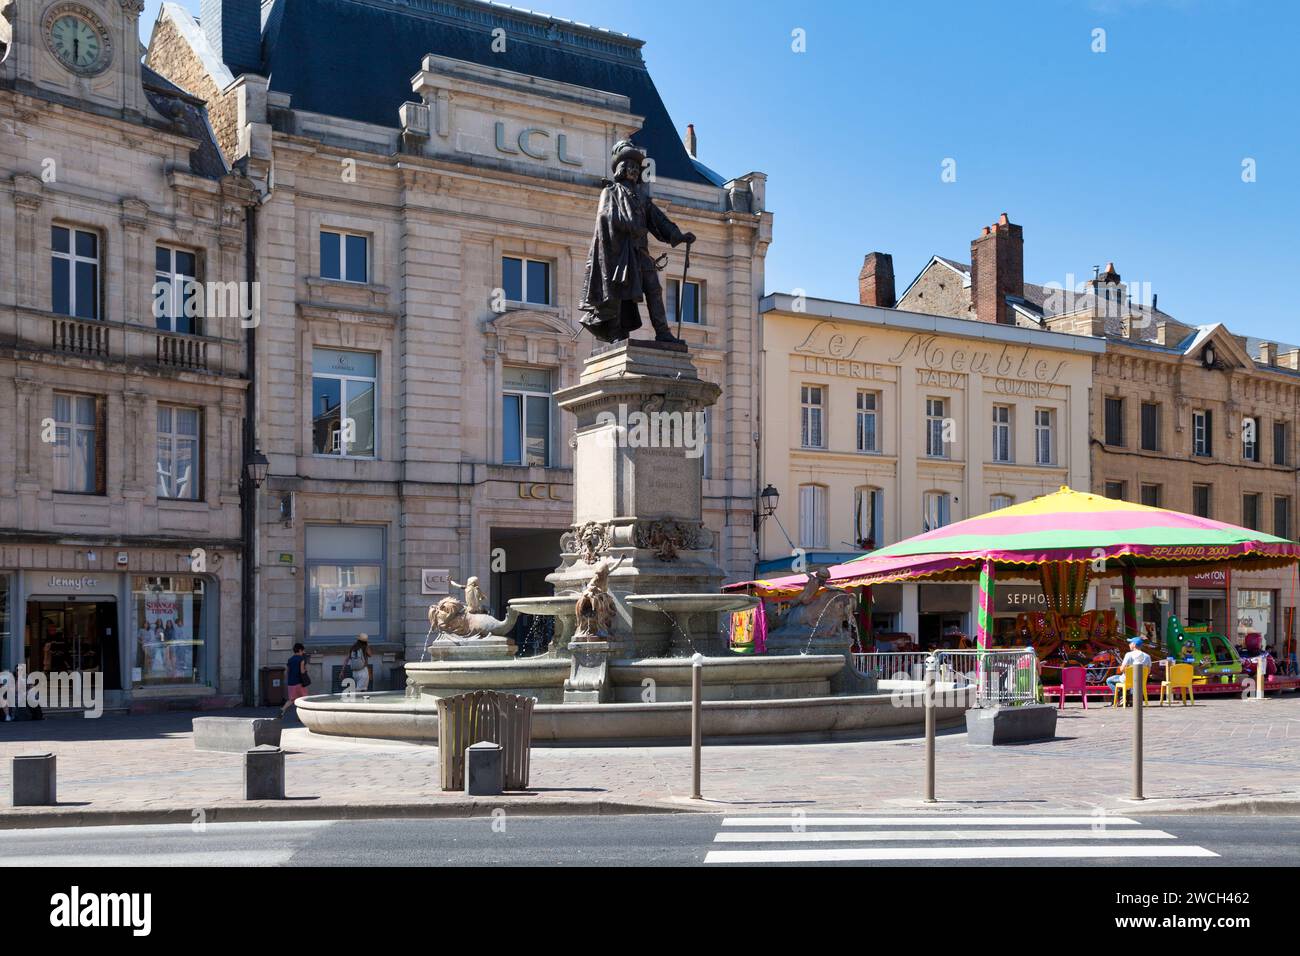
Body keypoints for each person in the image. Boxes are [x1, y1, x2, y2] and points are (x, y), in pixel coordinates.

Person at [579, 140, 696, 344]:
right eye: (629, 165)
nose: (633, 169)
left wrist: (678, 234)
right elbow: (605, 218)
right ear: (621, 168)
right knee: (615, 293)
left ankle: (662, 332)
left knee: (654, 288)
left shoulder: (641, 198)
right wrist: (628, 225)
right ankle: (616, 332)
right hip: (619, 252)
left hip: (640, 253)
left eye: (636, 166)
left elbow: (658, 220)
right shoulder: (611, 192)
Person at [1106, 637, 1152, 703]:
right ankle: (1128, 697)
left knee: (1109, 680)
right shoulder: (1147, 656)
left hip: (1126, 680)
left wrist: (1125, 668)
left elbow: (1122, 669)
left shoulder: (1129, 655)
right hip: (1140, 681)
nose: (1129, 644)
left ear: (1134, 644)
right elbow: (1148, 671)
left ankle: (1121, 696)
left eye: (1130, 643)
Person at [281, 643, 310, 717]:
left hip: (291, 683)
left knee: (292, 700)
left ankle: (283, 709)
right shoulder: (301, 659)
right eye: (303, 651)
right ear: (300, 650)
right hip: (299, 682)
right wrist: (306, 671)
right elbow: (302, 671)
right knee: (304, 698)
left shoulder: (290, 660)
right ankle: (301, 716)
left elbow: (286, 671)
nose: (303, 652)